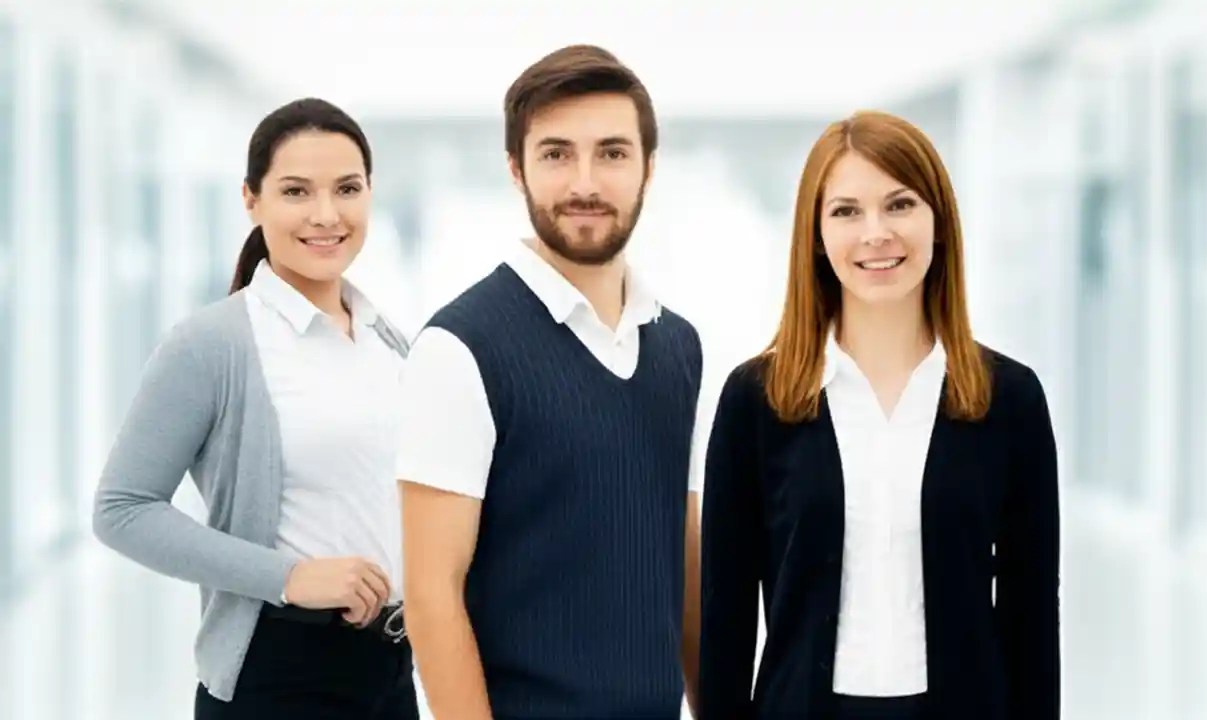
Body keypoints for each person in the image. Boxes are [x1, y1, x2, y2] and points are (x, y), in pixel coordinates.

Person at [697, 110, 1061, 720]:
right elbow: (725, 617)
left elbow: (1030, 612)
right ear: (814, 235)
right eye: (846, 211)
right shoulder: (755, 401)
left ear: (938, 220)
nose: (876, 233)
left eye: (900, 204)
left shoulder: (1010, 399)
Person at [395, 44, 710, 720]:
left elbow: (682, 563)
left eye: (613, 153)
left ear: (649, 168)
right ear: (517, 169)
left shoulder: (679, 346)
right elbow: (429, 597)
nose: (585, 182)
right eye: (557, 153)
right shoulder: (460, 348)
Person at [92, 97, 418, 720]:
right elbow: (121, 509)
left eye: (347, 188)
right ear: (251, 199)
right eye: (296, 191)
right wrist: (289, 576)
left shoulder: (387, 339)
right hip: (280, 675)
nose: (326, 215)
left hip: (390, 671)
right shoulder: (214, 343)